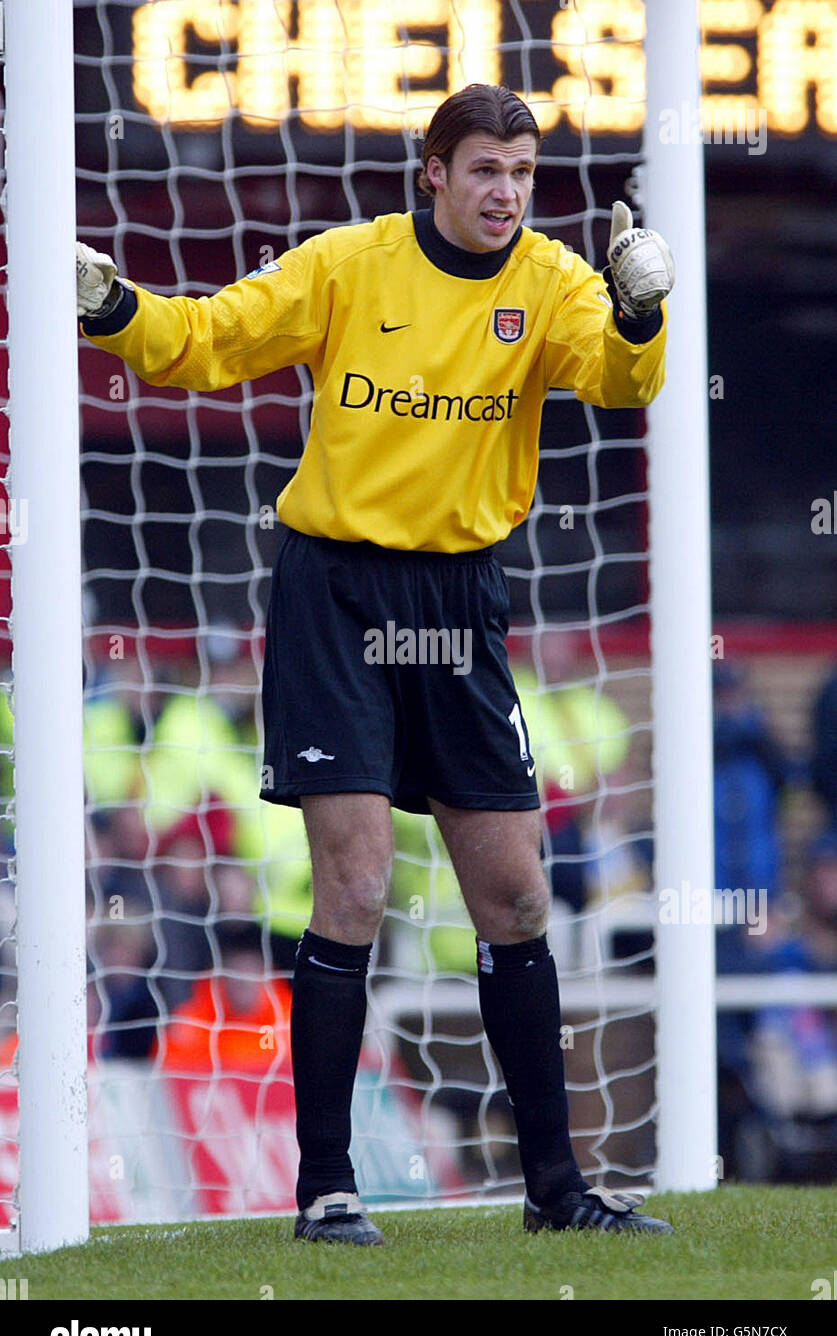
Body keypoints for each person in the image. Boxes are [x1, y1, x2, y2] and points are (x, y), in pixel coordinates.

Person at [76, 85, 675, 1243]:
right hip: (336, 591)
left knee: (512, 895)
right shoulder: (347, 266)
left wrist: (644, 315)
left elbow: (619, 377)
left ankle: (558, 1193)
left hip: (461, 599)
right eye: (486, 170)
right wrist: (113, 306)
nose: (507, 192)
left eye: (522, 171)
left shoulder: (550, 281)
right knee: (350, 886)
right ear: (432, 175)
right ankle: (328, 1187)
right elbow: (207, 343)